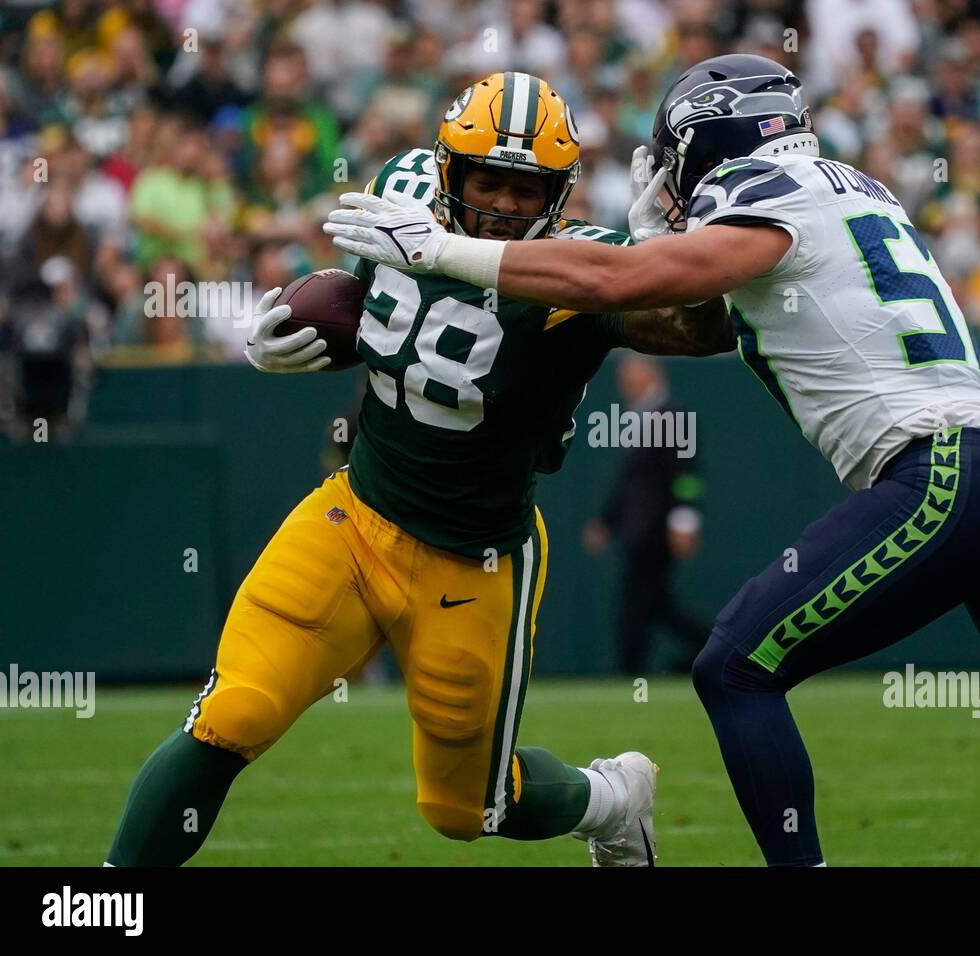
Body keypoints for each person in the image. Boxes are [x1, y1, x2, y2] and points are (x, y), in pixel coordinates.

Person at [328, 53, 980, 866]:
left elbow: (623, 276)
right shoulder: (846, 186)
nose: (662, 174)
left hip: (944, 470)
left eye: (670, 154)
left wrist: (442, 251)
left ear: (710, 141)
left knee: (735, 667)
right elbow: (694, 316)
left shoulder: (767, 196)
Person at [107, 71, 731, 868]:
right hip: (354, 519)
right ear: (446, 168)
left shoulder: (582, 269)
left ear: (559, 191)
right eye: (488, 179)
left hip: (473, 561)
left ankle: (611, 801)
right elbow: (363, 301)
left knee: (468, 807)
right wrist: (283, 334)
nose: (505, 202)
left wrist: (669, 260)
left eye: (525, 186)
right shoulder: (399, 187)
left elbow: (703, 330)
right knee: (231, 713)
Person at [582, 354, 709, 673]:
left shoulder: (673, 415)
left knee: (641, 602)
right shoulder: (639, 416)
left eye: (630, 378)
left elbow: (687, 475)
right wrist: (607, 522)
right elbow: (629, 482)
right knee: (653, 603)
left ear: (650, 376)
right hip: (637, 528)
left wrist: (684, 521)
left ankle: (635, 671)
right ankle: (708, 651)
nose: (623, 385)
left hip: (658, 529)